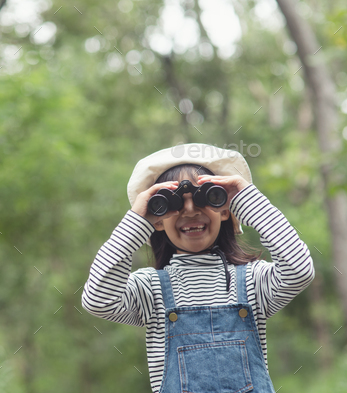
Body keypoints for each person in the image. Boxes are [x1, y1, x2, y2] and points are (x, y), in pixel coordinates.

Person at [81, 143, 314, 393]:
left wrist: (246, 199)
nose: (190, 210)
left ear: (225, 210)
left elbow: (299, 269)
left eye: (208, 197)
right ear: (157, 220)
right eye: (174, 204)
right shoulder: (149, 289)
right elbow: (97, 299)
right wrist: (138, 220)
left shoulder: (252, 280)